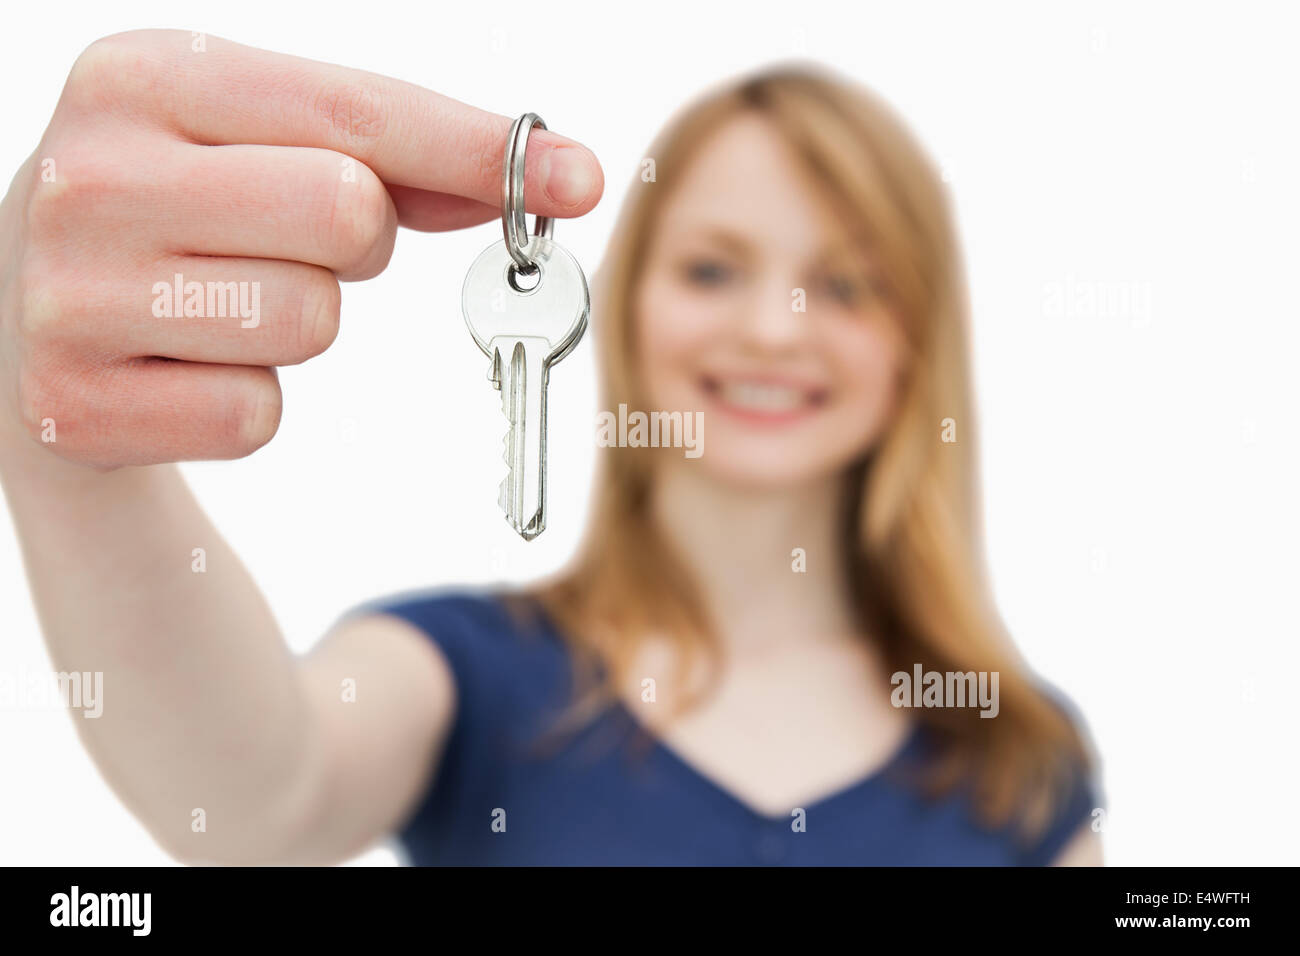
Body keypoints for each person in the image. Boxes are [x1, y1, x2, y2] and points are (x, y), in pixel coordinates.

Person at [0, 30, 1102, 865]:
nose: (774, 326)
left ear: (919, 341)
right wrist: (61, 443)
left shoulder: (1021, 754)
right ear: (619, 310)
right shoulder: (471, 671)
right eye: (713, 268)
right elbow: (255, 795)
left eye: (848, 283)